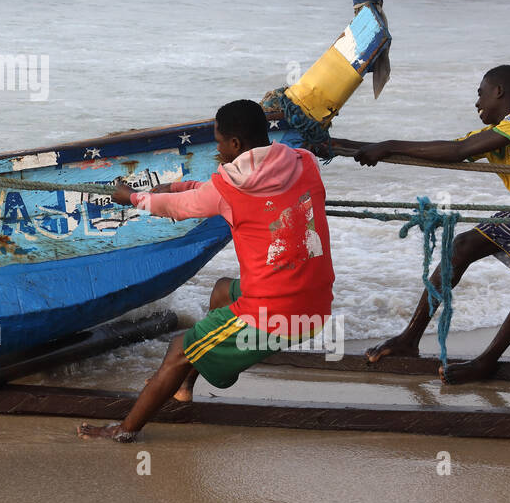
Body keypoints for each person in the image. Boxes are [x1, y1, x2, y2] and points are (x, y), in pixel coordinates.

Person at [78, 100, 335, 442]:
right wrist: (176, 187)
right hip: (317, 305)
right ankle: (185, 385)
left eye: (218, 142)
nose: (217, 149)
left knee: (178, 348)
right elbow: (203, 194)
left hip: (274, 314)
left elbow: (181, 209)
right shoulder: (304, 162)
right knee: (222, 291)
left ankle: (124, 431)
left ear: (236, 145)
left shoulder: (231, 187)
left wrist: (132, 198)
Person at [348, 65, 510, 385]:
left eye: (480, 93)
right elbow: (444, 150)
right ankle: (409, 339)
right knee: (463, 245)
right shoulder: (492, 138)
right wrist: (337, 145)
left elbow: (458, 150)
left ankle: (487, 361)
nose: (476, 103)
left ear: (499, 91)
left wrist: (387, 143)